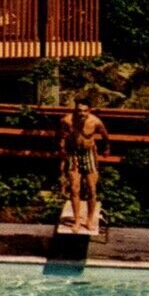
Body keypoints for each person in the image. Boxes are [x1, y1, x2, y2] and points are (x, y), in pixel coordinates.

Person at [59, 98, 109, 233]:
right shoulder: (67, 121)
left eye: (85, 111)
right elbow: (61, 138)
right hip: (73, 154)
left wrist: (106, 149)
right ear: (75, 109)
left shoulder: (96, 122)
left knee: (92, 189)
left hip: (89, 154)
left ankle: (89, 220)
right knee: (75, 189)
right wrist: (63, 154)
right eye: (79, 110)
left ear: (89, 110)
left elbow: (105, 137)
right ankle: (76, 221)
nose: (81, 113)